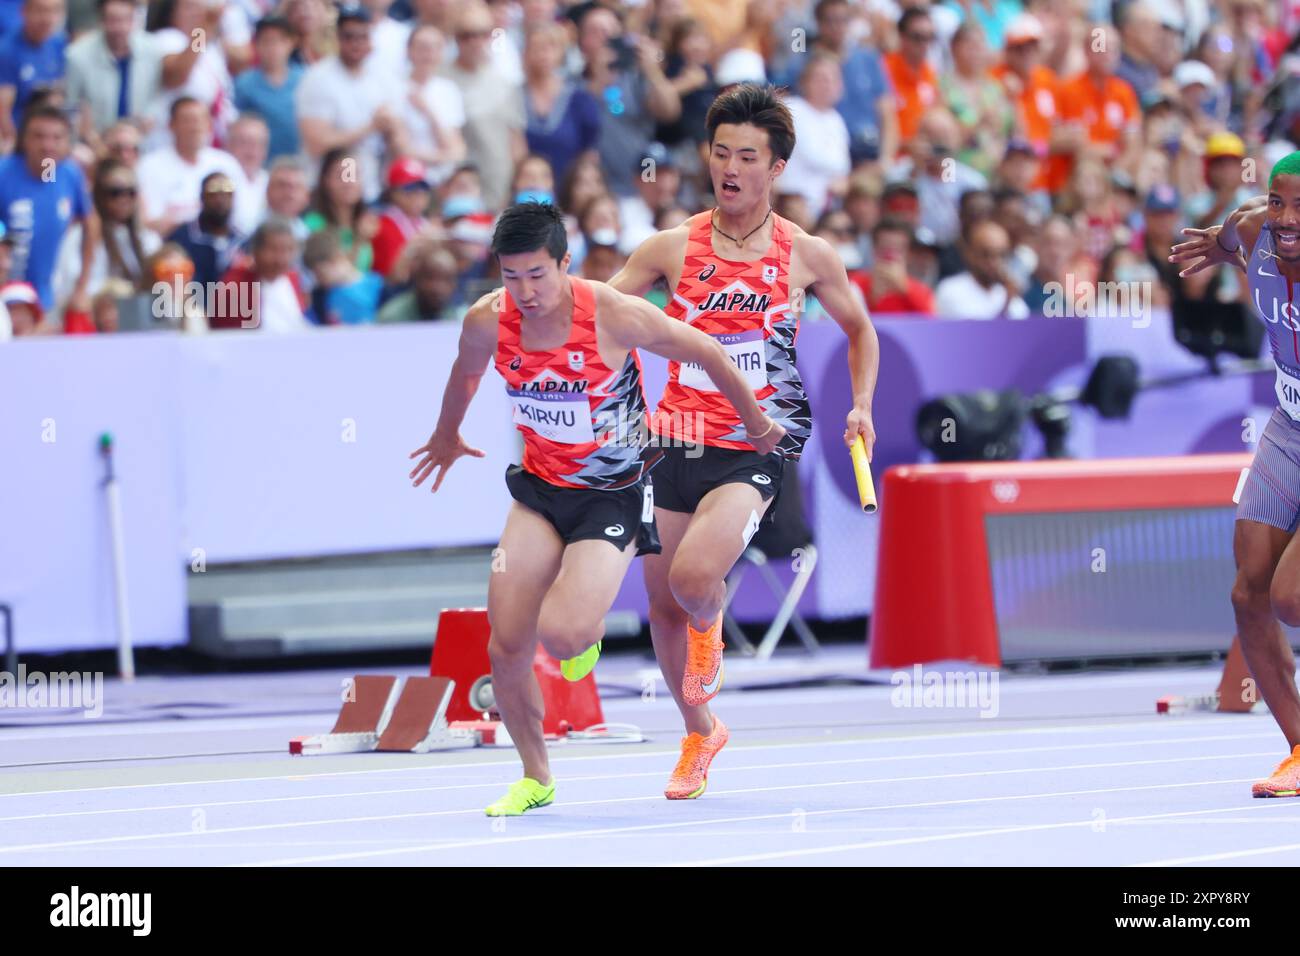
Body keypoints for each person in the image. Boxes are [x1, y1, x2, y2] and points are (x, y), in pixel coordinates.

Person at [408, 200, 783, 815]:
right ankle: (536, 776)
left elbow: (709, 354)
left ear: (565, 263)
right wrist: (447, 433)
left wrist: (755, 421)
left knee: (562, 636)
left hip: (613, 494)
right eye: (510, 277)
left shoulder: (614, 314)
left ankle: (585, 631)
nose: (524, 292)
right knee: (505, 644)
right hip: (538, 491)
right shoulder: (486, 321)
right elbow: (465, 374)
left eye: (537, 275)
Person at [608, 84, 878, 798]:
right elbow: (605, 313)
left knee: (696, 581)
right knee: (661, 603)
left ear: (777, 167)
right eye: (720, 152)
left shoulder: (806, 255)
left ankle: (714, 622)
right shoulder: (672, 246)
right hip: (676, 440)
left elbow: (860, 330)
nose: (730, 167)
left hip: (757, 441)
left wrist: (861, 406)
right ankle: (700, 731)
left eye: (747, 156)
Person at [1168, 151, 1300, 799]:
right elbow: (1231, 230)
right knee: (1250, 593)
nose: (1288, 218)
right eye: (1280, 202)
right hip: (1290, 420)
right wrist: (1220, 251)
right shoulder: (1254, 230)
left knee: (1291, 596)